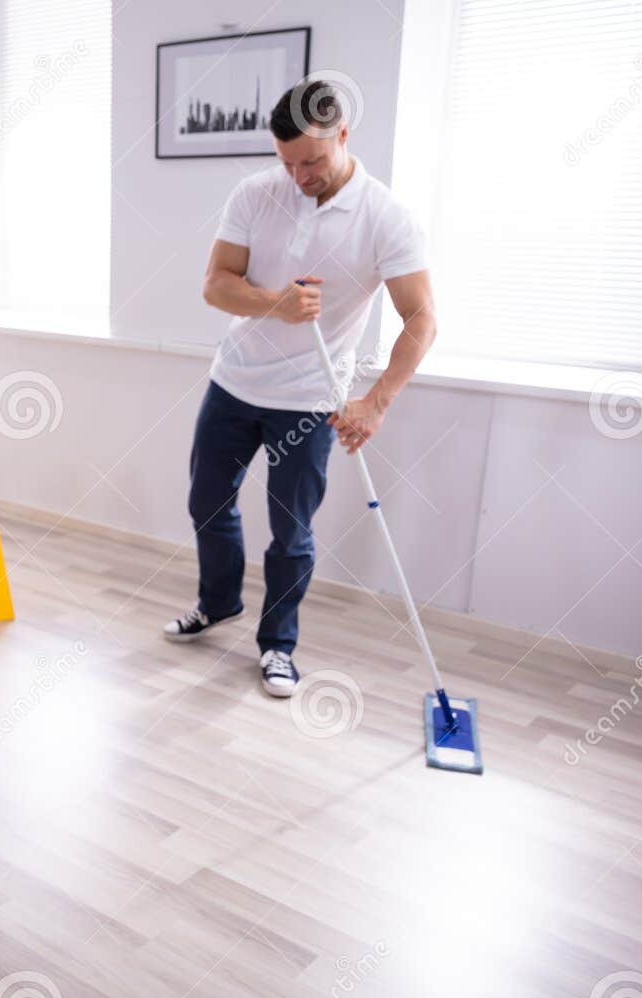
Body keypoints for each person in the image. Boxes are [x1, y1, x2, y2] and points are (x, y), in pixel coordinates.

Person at [164, 80, 437, 697]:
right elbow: (215, 285)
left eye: (311, 161)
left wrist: (376, 402)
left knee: (291, 531)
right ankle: (218, 602)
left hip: (310, 400)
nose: (299, 175)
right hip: (234, 382)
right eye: (287, 161)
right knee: (207, 502)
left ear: (343, 135)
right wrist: (274, 303)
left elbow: (422, 319)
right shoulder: (257, 194)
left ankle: (277, 645)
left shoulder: (385, 217)